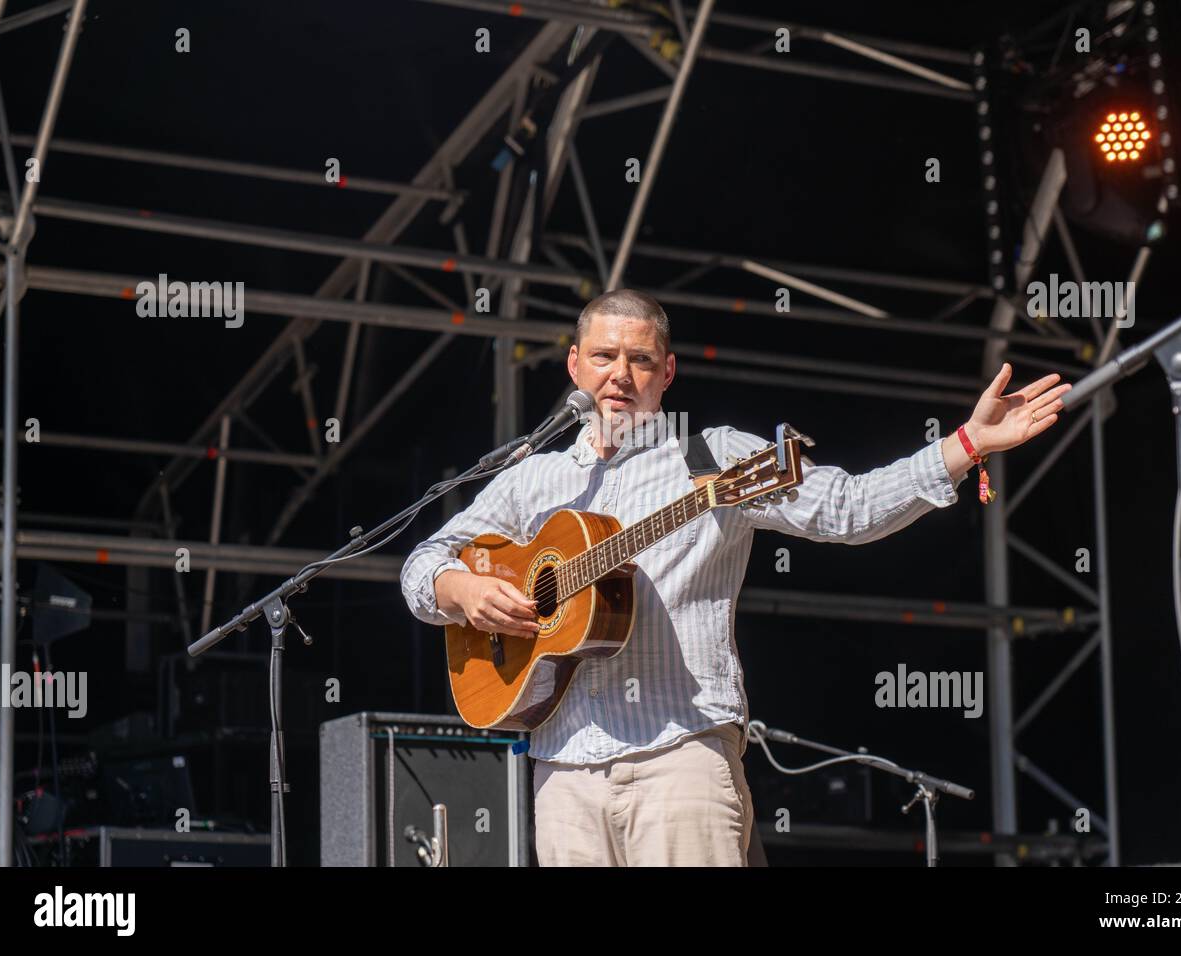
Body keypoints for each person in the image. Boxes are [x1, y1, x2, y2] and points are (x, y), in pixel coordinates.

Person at [401, 288, 1070, 866]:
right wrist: (462, 590)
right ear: (575, 366)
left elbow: (850, 509)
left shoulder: (712, 457)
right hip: (563, 768)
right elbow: (421, 566)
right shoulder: (533, 480)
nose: (620, 376)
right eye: (604, 357)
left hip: (682, 756)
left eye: (640, 361)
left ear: (668, 372)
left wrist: (965, 445)